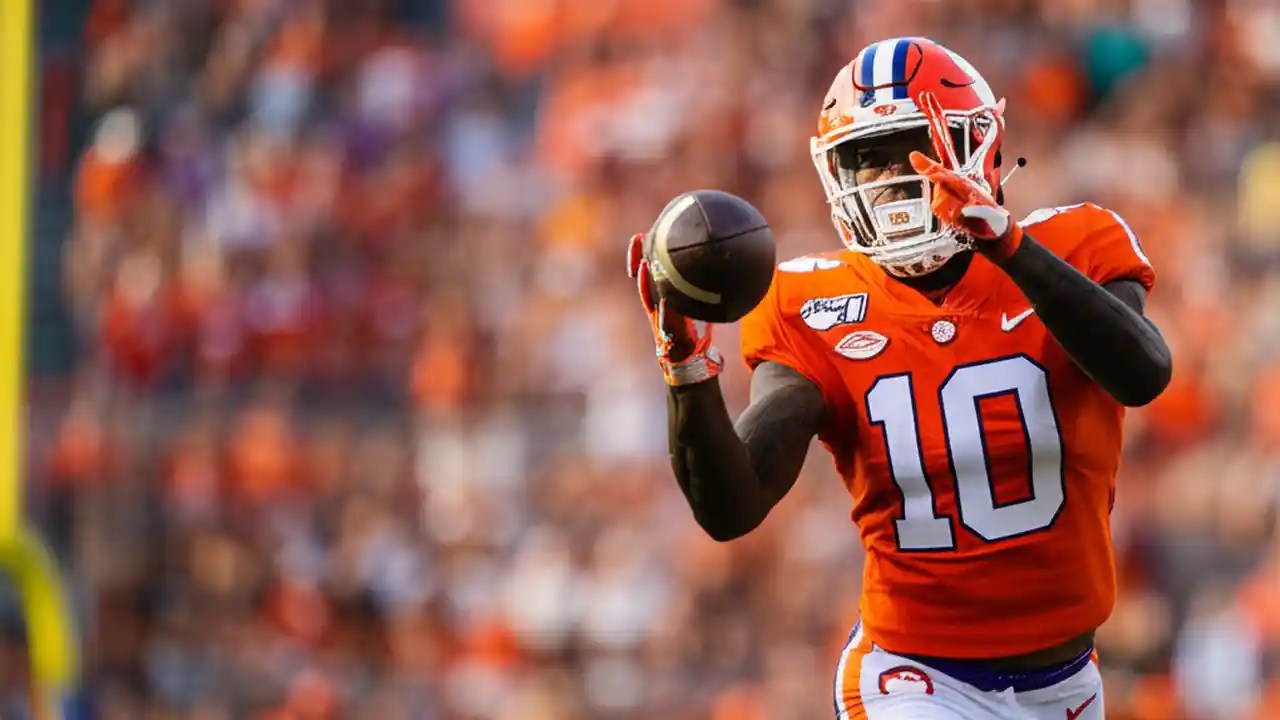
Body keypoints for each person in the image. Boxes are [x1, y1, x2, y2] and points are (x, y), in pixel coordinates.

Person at [626, 37, 1172, 719]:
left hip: (1066, 684)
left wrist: (1010, 249)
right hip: (914, 676)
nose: (887, 177)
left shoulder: (1078, 243)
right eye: (865, 158)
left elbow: (1142, 374)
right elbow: (734, 507)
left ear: (974, 146)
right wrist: (686, 369)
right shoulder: (809, 302)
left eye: (909, 148)